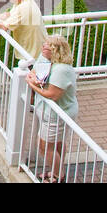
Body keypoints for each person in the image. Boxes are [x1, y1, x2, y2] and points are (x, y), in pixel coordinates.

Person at [25, 35, 77, 183]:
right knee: (56, 143)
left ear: (55, 50)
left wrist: (32, 85)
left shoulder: (61, 70)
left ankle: (57, 175)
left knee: (45, 146)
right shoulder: (45, 59)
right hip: (50, 112)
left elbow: (52, 95)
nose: (43, 48)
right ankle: (57, 171)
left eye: (47, 47)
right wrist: (33, 78)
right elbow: (33, 71)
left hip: (58, 114)